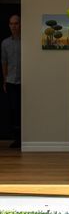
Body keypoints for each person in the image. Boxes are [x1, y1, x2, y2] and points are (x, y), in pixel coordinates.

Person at [2, 14, 21, 148]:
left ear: (20, 25)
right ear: (9, 26)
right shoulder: (5, 43)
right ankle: (17, 138)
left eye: (16, 23)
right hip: (11, 81)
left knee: (23, 110)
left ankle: (24, 139)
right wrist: (4, 80)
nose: (14, 26)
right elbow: (4, 62)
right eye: (11, 24)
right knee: (13, 110)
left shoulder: (26, 41)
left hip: (25, 82)